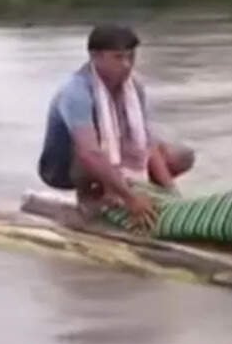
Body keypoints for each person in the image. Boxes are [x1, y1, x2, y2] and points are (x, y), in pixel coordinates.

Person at [38, 24, 193, 230]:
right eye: (118, 58)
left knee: (181, 156)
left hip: (109, 155)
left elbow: (147, 144)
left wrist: (172, 193)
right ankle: (91, 199)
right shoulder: (76, 91)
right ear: (95, 56)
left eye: (131, 57)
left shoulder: (134, 87)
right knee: (88, 152)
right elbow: (89, 153)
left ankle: (140, 192)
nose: (127, 65)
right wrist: (131, 200)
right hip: (66, 168)